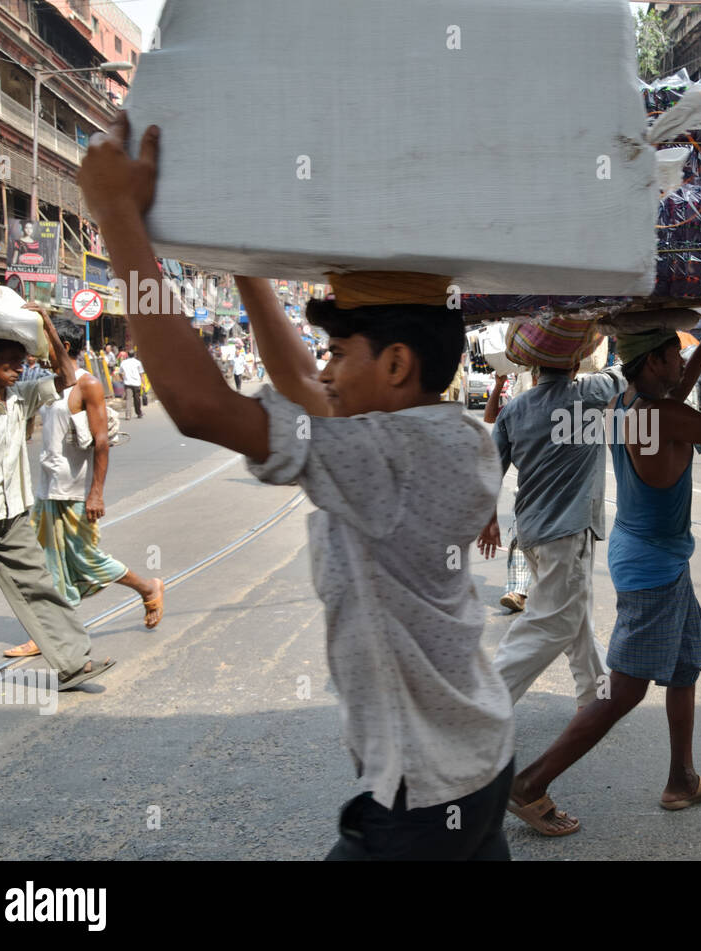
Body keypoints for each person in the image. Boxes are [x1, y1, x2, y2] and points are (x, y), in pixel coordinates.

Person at [79, 114, 514, 860]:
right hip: (479, 758)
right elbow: (305, 389)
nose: (328, 370)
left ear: (397, 364)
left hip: (424, 790)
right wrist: (245, 266)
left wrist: (118, 216)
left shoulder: (387, 454)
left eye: (340, 351)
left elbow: (197, 403)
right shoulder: (449, 433)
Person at [504, 304, 701, 836]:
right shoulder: (663, 415)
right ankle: (529, 784)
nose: (682, 358)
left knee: (685, 665)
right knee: (624, 691)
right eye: (675, 352)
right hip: (653, 565)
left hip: (652, 553)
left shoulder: (630, 401)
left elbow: (674, 393)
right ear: (652, 363)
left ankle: (682, 779)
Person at [0, 301, 114, 690]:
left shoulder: (21, 397)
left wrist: (46, 324)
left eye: (23, 361)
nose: (21, 367)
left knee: (39, 587)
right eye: (11, 361)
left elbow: (68, 373)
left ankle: (74, 662)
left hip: (13, 516)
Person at [3, 328, 166, 659]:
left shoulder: (87, 384)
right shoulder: (48, 385)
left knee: (86, 558)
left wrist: (96, 493)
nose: (38, 351)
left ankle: (148, 587)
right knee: (49, 564)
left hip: (76, 491)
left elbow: (101, 441)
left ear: (62, 346)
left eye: (45, 343)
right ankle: (51, 633)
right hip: (48, 489)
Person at [478, 350, 623, 714]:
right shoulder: (588, 393)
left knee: (574, 616)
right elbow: (631, 368)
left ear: (534, 368)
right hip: (566, 534)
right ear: (575, 365)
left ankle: (597, 696)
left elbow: (489, 471)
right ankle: (483, 705)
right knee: (550, 623)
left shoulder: (515, 408)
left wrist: (487, 518)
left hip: (531, 532)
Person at [483, 373, 528, 613]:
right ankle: (519, 591)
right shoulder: (517, 399)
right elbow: (491, 417)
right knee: (522, 534)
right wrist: (499, 384)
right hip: (529, 480)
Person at [119, 349, 144, 419]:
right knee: (137, 399)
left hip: (127, 383)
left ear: (127, 355)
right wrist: (144, 384)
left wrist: (123, 379)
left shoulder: (123, 363)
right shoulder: (138, 362)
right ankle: (139, 413)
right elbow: (141, 374)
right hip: (136, 383)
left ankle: (128, 415)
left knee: (128, 399)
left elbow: (120, 373)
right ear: (134, 355)